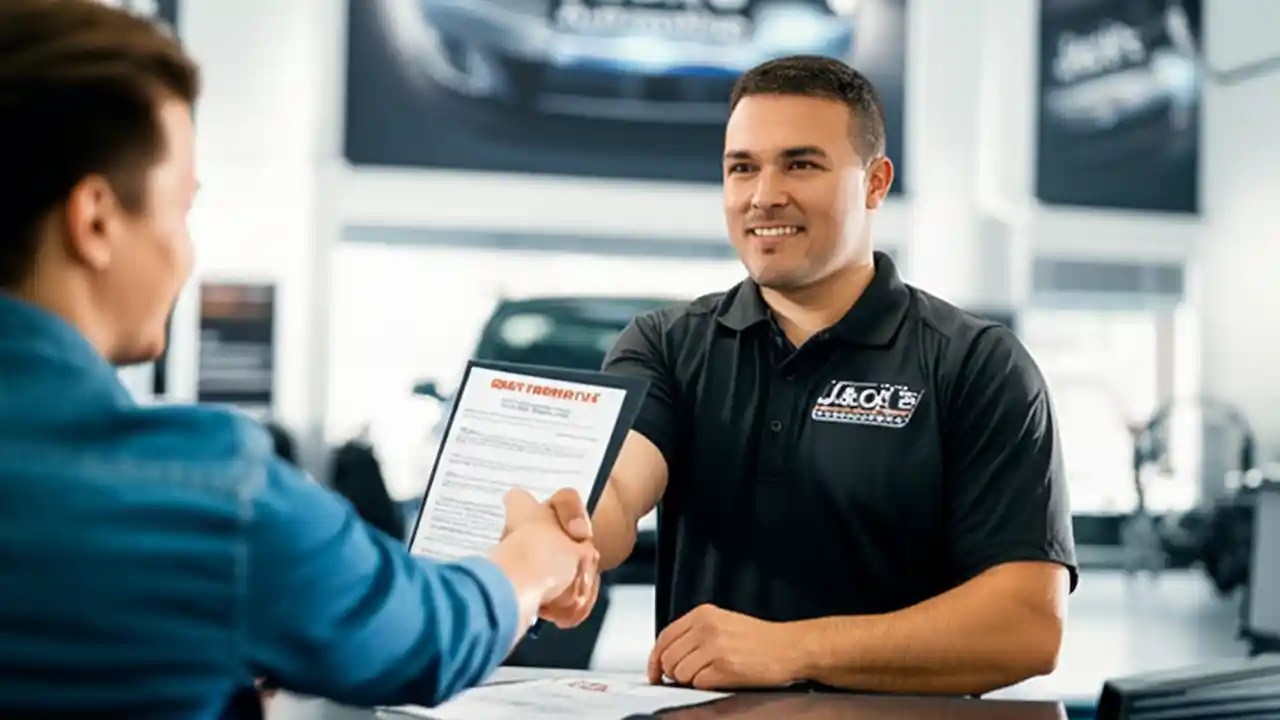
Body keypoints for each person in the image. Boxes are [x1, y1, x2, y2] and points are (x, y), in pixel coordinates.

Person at [0, 1, 596, 716]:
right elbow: (426, 631)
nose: (186, 252)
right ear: (95, 220)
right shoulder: (203, 496)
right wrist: (530, 560)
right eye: (182, 209)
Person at [539, 55, 1078, 695]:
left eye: (801, 164)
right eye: (743, 167)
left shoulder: (977, 364)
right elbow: (622, 485)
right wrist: (568, 538)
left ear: (875, 183)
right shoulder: (667, 344)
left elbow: (1027, 626)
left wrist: (793, 649)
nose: (765, 194)